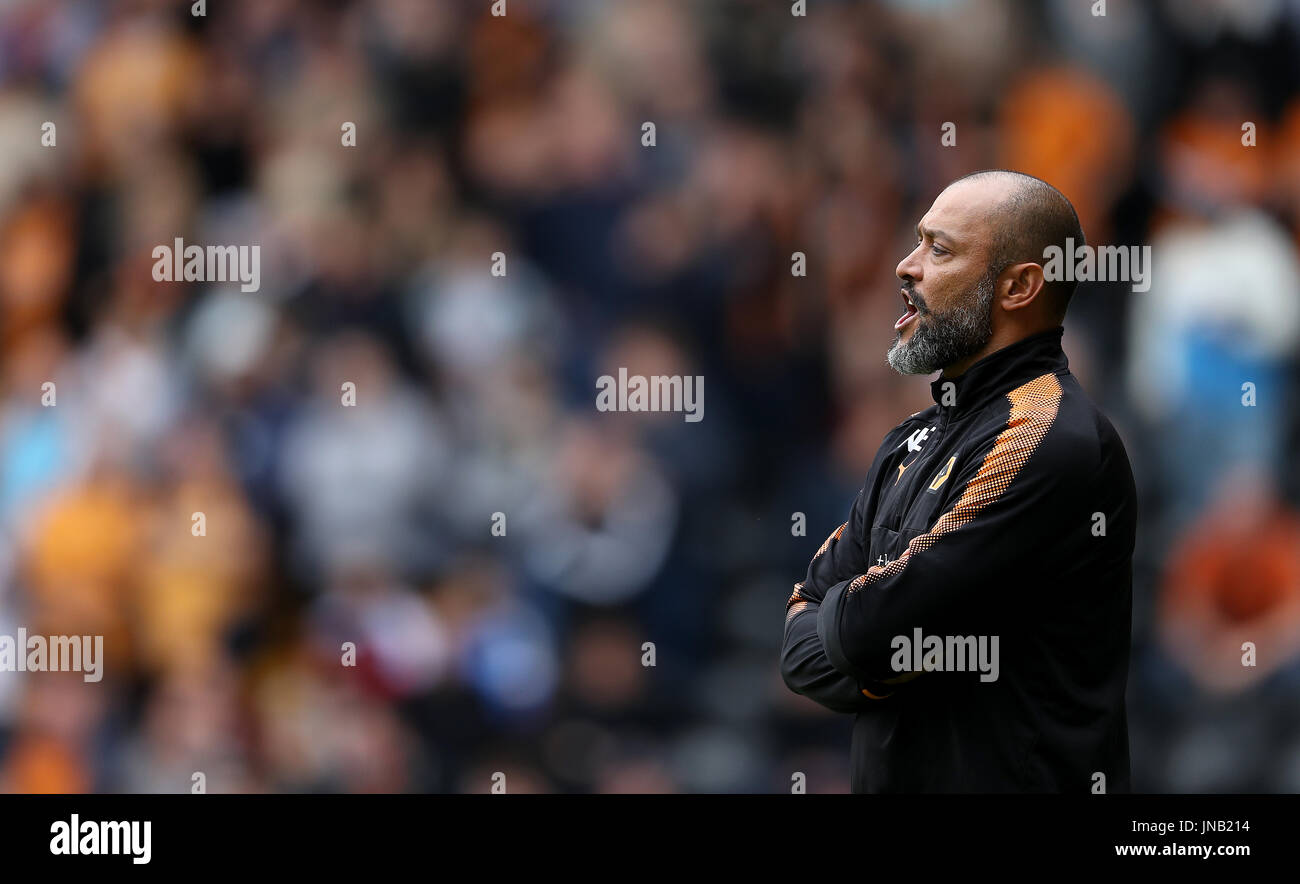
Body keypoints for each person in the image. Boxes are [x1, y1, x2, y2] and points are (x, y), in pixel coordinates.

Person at [781, 170, 1136, 793]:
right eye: (918, 243)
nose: (905, 267)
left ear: (1020, 286)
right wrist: (858, 639)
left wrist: (857, 641)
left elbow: (872, 628)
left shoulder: (1049, 438)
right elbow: (801, 642)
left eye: (939, 250)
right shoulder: (910, 439)